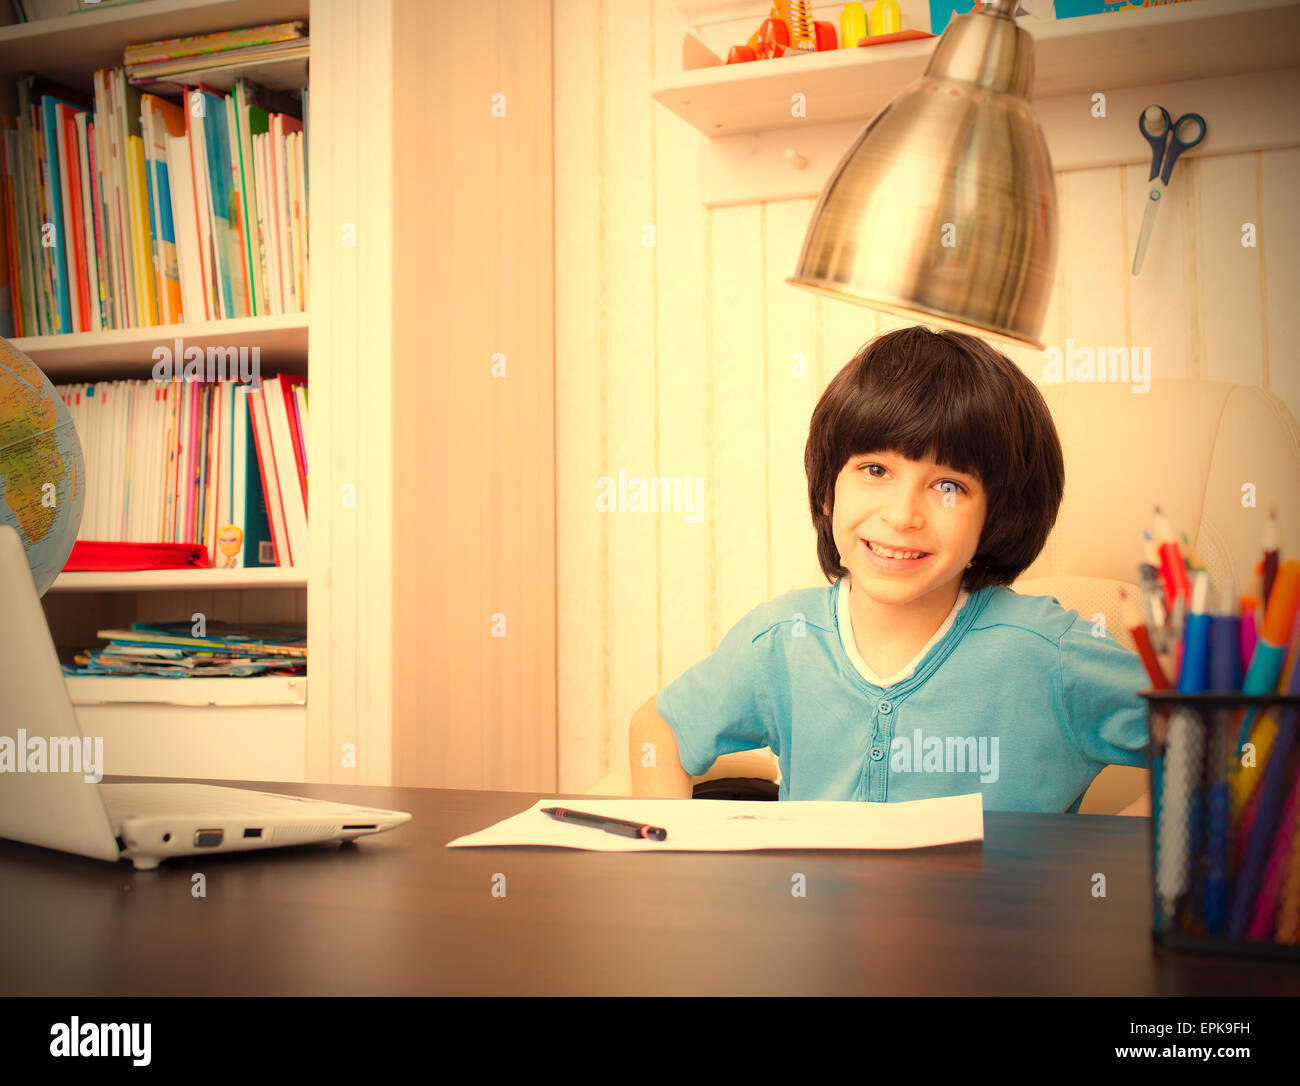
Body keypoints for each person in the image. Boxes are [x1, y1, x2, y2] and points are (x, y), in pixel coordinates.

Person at [628, 325, 1150, 812]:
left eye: (949, 486)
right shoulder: (783, 640)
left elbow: (1222, 741)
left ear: (997, 512)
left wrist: (1125, 862)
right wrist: (672, 857)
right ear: (830, 486)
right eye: (875, 470)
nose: (902, 516)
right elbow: (659, 730)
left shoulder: (1046, 654)